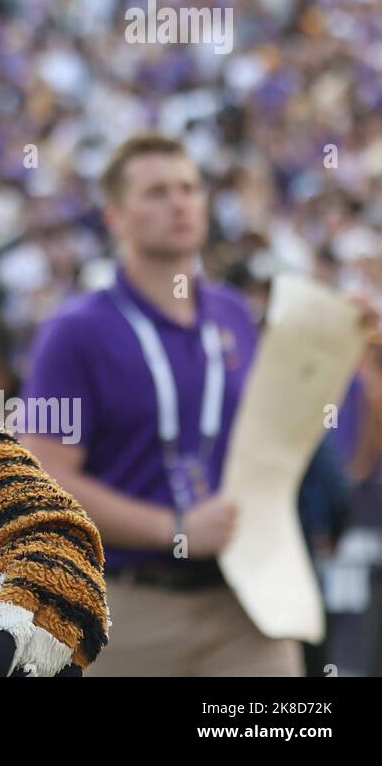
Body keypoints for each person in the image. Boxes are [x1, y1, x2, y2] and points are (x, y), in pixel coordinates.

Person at [21, 133, 307, 676]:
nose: (179, 203)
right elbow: (46, 477)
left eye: (189, 188)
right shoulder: (75, 332)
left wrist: (341, 336)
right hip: (131, 607)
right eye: (156, 192)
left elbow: (281, 428)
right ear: (116, 217)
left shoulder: (231, 313)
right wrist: (174, 528)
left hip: (247, 604)